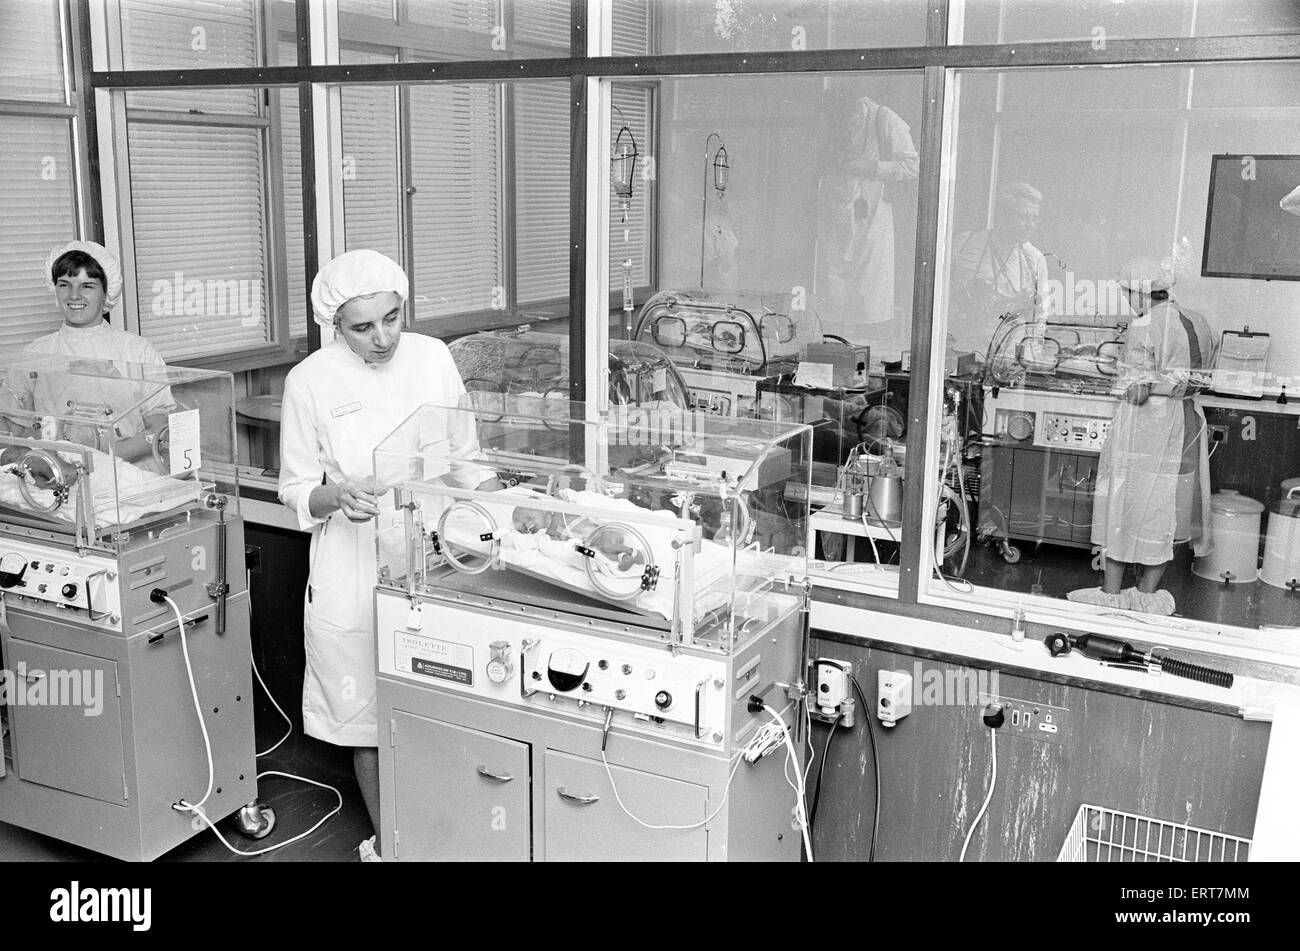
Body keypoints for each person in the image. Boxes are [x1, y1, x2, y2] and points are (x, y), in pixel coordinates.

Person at [278, 249, 496, 862]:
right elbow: (294, 486)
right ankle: (394, 843)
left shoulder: (432, 358)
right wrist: (333, 495)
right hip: (352, 561)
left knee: (447, 691)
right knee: (364, 711)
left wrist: (510, 514)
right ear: (334, 325)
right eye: (362, 327)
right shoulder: (311, 380)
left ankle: (453, 835)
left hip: (437, 552)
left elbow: (466, 455)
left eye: (392, 319)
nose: (382, 339)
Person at [1067, 255, 1212, 615]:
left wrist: (1114, 378)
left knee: (1125, 503)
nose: (1128, 300)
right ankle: (1147, 595)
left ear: (1140, 291)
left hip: (1148, 426)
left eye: (1128, 292)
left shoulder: (1144, 325)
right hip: (1186, 421)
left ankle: (1112, 593)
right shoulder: (1198, 320)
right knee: (1164, 508)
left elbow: (1138, 389)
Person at [0, 241, 170, 471]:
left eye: (87, 285)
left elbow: (159, 428)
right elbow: (15, 432)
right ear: (54, 289)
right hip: (59, 479)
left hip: (128, 476)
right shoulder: (33, 354)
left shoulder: (138, 351)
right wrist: (51, 464)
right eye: (64, 284)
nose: (74, 295)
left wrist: (94, 461)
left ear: (105, 293)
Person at [815, 92, 919, 353]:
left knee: (867, 293)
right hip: (836, 215)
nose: (845, 129)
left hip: (872, 218)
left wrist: (872, 167)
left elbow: (911, 165)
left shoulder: (884, 120)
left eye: (848, 121)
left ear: (857, 106)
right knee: (833, 289)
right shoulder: (832, 124)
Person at [949, 181, 1053, 354]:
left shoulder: (1035, 259)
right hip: (963, 349)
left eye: (1034, 218)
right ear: (1002, 215)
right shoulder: (965, 245)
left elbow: (1040, 316)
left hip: (1009, 355)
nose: (1030, 224)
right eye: (1023, 217)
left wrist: (1033, 355)